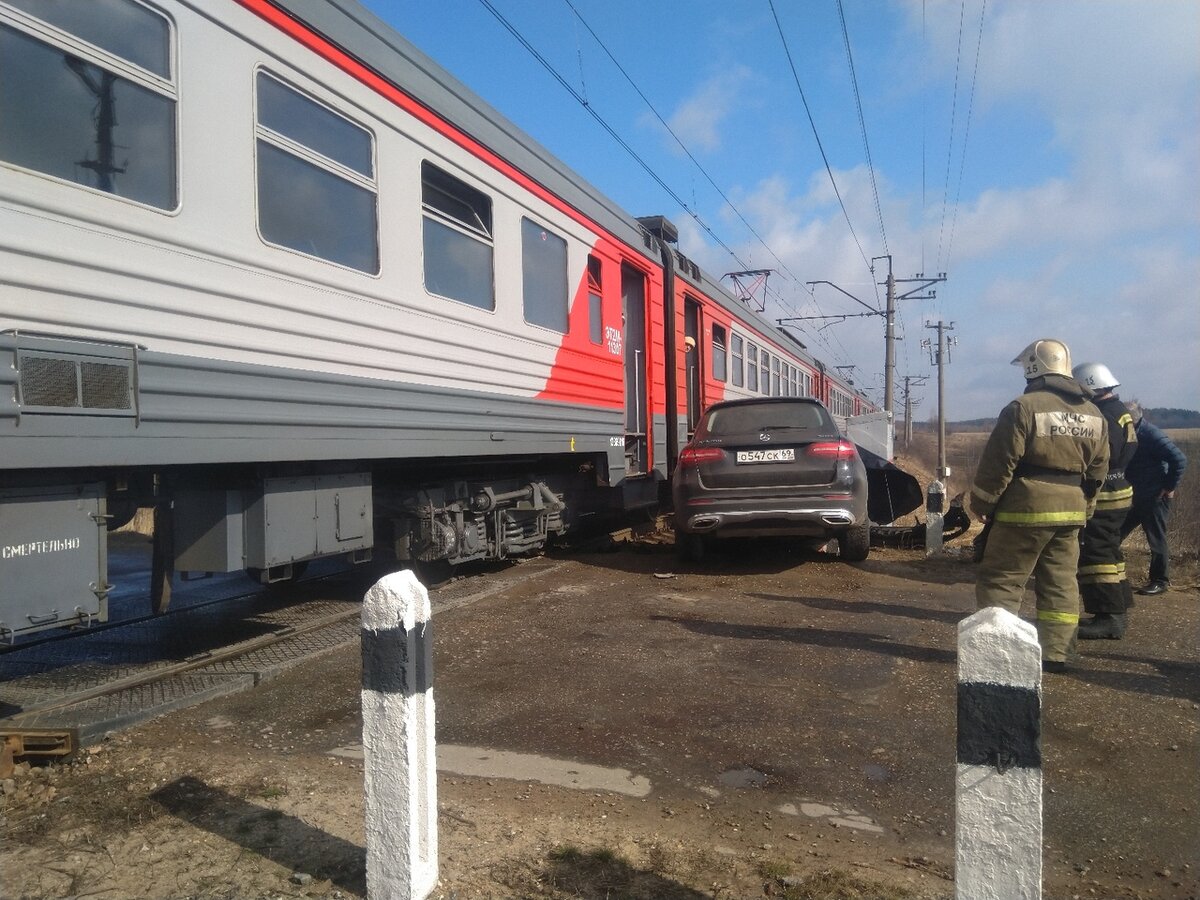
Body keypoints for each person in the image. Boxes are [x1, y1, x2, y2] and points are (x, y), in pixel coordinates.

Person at [970, 339, 1108, 673]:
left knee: (1003, 580)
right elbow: (1098, 470)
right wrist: (1085, 507)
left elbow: (999, 461)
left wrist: (983, 501)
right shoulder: (1094, 413)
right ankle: (1057, 654)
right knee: (1061, 583)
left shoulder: (1023, 407)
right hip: (1070, 512)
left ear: (1034, 367)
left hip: (1024, 509)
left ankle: (998, 653)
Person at [1072, 363, 1137, 639]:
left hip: (1106, 493)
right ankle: (1118, 610)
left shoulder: (1103, 416)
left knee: (1096, 554)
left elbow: (1101, 456)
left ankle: (1108, 617)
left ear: (1089, 386)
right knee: (1110, 552)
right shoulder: (1120, 411)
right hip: (1119, 488)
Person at [1120, 402, 1187, 595]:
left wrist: (1168, 486)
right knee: (1115, 532)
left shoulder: (1151, 434)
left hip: (1155, 495)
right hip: (1136, 495)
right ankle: (1109, 576)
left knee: (1156, 539)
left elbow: (1179, 459)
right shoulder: (1130, 433)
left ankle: (1160, 581)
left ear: (1132, 418)